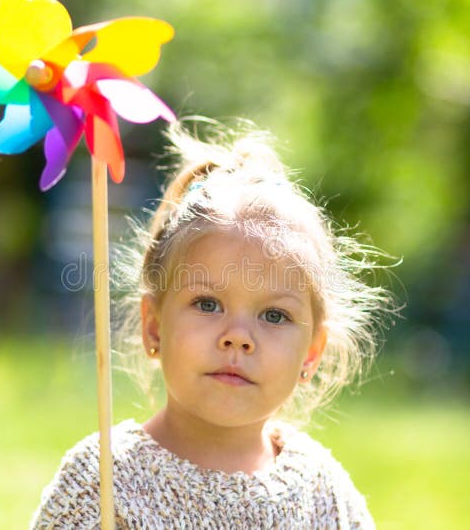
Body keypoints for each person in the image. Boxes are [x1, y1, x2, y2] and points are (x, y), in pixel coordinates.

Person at [30, 120, 395, 529]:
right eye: (207, 303)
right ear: (154, 328)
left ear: (312, 352)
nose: (237, 337)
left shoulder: (322, 493)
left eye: (275, 315)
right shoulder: (102, 482)